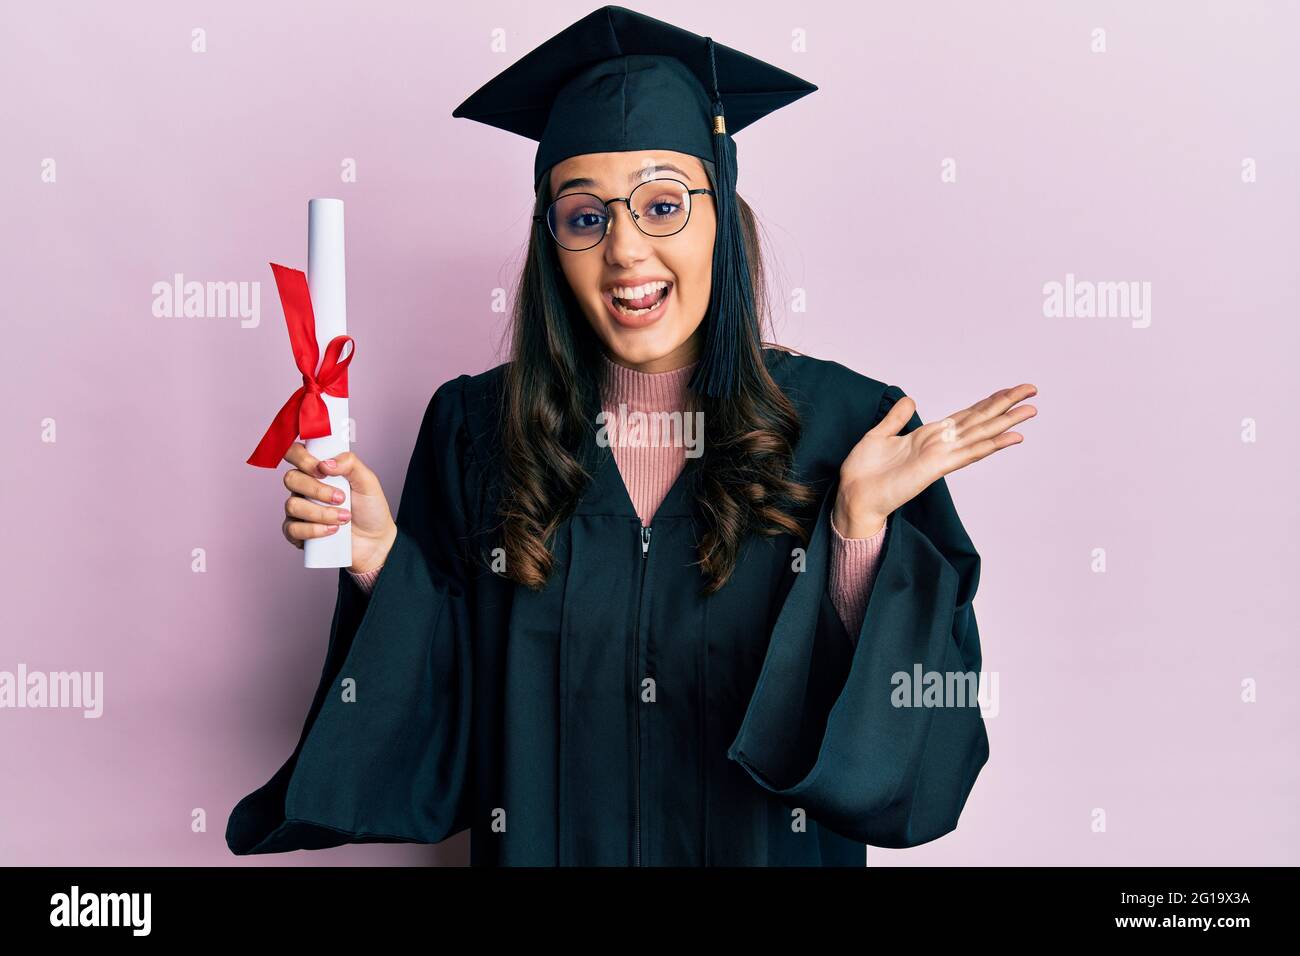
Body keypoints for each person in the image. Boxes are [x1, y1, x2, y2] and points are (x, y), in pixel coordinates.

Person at [226, 5, 1037, 866]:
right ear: (553, 245)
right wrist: (385, 567)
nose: (624, 251)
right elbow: (455, 746)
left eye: (662, 204)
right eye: (585, 216)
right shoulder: (475, 431)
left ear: (722, 213)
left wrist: (855, 540)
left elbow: (914, 766)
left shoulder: (851, 429)